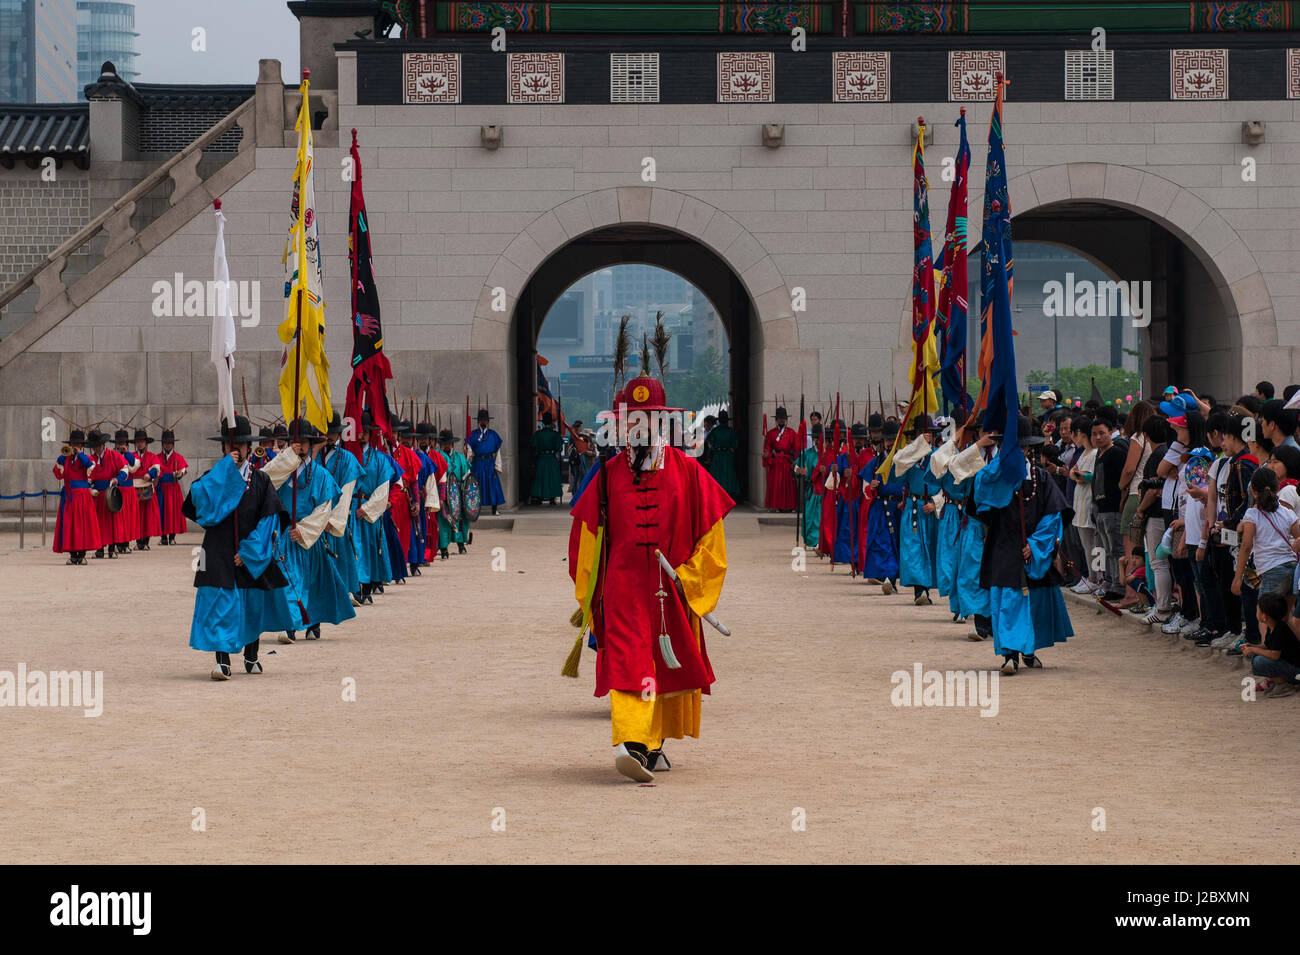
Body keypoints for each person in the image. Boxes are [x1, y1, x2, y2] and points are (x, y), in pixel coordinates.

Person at [567, 370, 733, 783]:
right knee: (628, 660)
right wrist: (589, 595)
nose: (639, 429)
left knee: (664, 663)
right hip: (623, 589)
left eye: (648, 420)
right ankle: (631, 742)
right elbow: (587, 538)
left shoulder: (690, 473)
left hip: (669, 590)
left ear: (662, 423)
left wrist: (690, 578)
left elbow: (713, 542)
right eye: (631, 421)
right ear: (621, 426)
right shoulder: (606, 476)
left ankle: (652, 742)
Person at [182, 414, 293, 681]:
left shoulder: (261, 480)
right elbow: (197, 503)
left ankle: (251, 655)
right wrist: (223, 473)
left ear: (248, 447)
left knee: (252, 604)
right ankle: (222, 662)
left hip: (249, 552)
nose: (236, 449)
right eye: (231, 445)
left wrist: (249, 553)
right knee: (220, 605)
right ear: (223, 447)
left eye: (241, 444)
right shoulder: (212, 478)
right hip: (217, 550)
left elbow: (269, 520)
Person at [971, 417, 1074, 674]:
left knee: (1034, 601)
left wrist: (1036, 544)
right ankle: (1009, 654)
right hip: (1003, 546)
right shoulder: (992, 476)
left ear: (1028, 449)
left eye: (1020, 447)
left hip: (1033, 548)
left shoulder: (1041, 477)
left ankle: (1028, 650)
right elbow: (979, 498)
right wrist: (1001, 469)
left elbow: (1054, 515)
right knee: (1007, 600)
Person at [269, 419, 357, 642]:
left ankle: (313, 621)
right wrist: (288, 458)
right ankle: (289, 624)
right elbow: (264, 480)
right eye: (295, 442)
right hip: (285, 535)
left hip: (310, 534)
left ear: (311, 444)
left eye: (304, 442)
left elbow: (324, 508)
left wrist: (306, 530)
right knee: (289, 580)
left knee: (313, 581)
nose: (299, 446)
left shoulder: (321, 475)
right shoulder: (281, 469)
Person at [1231, 466, 1298, 629]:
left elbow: (1246, 547)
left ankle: (1266, 648)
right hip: (1292, 568)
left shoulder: (1252, 515)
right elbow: (1298, 537)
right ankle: (1285, 651)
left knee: (1264, 614)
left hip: (1271, 570)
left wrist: (1238, 577)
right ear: (1277, 488)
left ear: (1253, 491)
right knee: (1286, 616)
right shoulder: (1287, 513)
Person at [318, 411, 365, 605]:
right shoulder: (314, 455)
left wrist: (333, 520)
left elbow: (347, 493)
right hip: (314, 518)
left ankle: (344, 592)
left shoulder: (347, 459)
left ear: (339, 434)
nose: (328, 436)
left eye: (332, 432)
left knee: (340, 558)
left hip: (334, 519)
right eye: (325, 432)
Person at [892, 416, 940, 605]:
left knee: (930, 548)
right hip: (913, 507)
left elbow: (948, 485)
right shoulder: (907, 457)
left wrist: (936, 503)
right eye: (922, 434)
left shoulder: (938, 455)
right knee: (914, 549)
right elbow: (896, 476)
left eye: (929, 434)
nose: (926, 437)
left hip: (932, 507)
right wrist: (916, 449)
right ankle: (920, 589)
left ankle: (926, 588)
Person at [354, 413, 398, 602]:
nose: (361, 436)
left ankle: (369, 586)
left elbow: (383, 488)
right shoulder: (349, 456)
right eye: (359, 432)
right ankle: (357, 587)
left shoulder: (380, 459)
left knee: (371, 548)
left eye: (365, 432)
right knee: (356, 548)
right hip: (352, 509)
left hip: (370, 509)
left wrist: (368, 508)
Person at [861, 419, 903, 594]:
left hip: (900, 506)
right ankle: (886, 576)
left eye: (893, 439)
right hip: (881, 508)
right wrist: (870, 487)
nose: (890, 442)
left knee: (897, 544)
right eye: (887, 439)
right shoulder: (875, 463)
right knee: (883, 543)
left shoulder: (904, 461)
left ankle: (892, 579)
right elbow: (865, 488)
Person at [1090, 418, 1128, 601]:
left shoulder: (1117, 453)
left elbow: (1125, 480)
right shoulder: (1099, 454)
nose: (1098, 437)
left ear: (1110, 432)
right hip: (1101, 509)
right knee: (1108, 549)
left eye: (1101, 433)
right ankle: (1113, 582)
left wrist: (1122, 501)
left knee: (1116, 548)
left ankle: (1120, 587)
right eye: (1094, 434)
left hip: (1114, 508)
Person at [52, 428, 100, 565]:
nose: (75, 447)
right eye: (73, 444)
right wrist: (63, 457)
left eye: (78, 444)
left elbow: (92, 469)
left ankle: (82, 554)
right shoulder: (65, 459)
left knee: (83, 525)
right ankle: (73, 554)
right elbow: (58, 474)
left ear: (82, 446)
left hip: (82, 496)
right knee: (69, 524)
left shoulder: (87, 458)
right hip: (69, 496)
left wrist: (79, 455)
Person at [1243, 593, 1300, 697]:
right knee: (1255, 655)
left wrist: (1254, 650)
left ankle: (1284, 685)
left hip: (1295, 672)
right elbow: (1267, 646)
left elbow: (1275, 655)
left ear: (1264, 617)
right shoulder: (1272, 627)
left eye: (1258, 610)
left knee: (1259, 661)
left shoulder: (1280, 630)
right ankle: (1277, 681)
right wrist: (1252, 646)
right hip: (1288, 667)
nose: (1256, 613)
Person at [86, 431, 129, 560]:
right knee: (97, 523)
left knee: (112, 522)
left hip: (110, 494)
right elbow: (87, 475)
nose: (96, 449)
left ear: (103, 444)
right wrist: (89, 484)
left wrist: (117, 479)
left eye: (98, 446)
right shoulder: (91, 459)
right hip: (97, 494)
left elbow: (125, 469)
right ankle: (99, 549)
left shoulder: (114, 456)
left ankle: (111, 548)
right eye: (94, 447)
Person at [467, 408, 506, 516]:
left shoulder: (493, 435)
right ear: (478, 421)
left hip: (489, 463)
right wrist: (466, 462)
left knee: (493, 486)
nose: (483, 422)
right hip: (478, 463)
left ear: (488, 421)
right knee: (476, 487)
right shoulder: (473, 435)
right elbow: (469, 451)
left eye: (485, 420)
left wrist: (497, 465)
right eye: (481, 420)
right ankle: (475, 509)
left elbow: (497, 451)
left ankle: (495, 509)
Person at [438, 428, 471, 558]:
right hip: (443, 492)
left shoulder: (460, 458)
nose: (446, 446)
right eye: (443, 443)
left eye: (448, 443)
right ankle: (444, 549)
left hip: (458, 493)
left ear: (452, 444)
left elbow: (467, 476)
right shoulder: (438, 457)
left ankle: (461, 544)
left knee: (460, 520)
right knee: (443, 521)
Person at [110, 429, 142, 556]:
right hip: (117, 490)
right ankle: (118, 543)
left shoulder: (132, 456)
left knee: (128, 519)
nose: (120, 444)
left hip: (128, 491)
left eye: (123, 442)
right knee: (117, 519)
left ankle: (126, 543)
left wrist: (126, 453)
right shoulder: (111, 455)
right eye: (119, 442)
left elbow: (135, 467)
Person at [761, 407, 798, 512]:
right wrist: (767, 455)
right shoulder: (771, 433)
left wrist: (795, 461)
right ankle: (777, 506)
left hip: (787, 461)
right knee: (776, 484)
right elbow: (767, 447)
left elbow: (796, 448)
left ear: (786, 419)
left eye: (783, 418)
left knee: (789, 485)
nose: (781, 420)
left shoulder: (791, 432)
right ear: (776, 419)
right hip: (776, 461)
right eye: (779, 418)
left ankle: (790, 506)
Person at [131, 429, 162, 550]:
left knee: (148, 516)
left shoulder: (152, 456)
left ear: (146, 443)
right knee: (137, 516)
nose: (140, 444)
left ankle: (146, 541)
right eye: (138, 442)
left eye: (142, 441)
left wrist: (150, 474)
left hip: (147, 488)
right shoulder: (132, 456)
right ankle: (139, 541)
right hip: (134, 488)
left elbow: (156, 468)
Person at [156, 429, 189, 545]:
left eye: (170, 443)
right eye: (165, 443)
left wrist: (179, 473)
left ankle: (172, 537)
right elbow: (155, 470)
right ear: (162, 444)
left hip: (173, 488)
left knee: (173, 512)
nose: (167, 445)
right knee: (162, 511)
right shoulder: (157, 457)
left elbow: (183, 469)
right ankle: (163, 536)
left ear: (173, 444)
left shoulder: (178, 457)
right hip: (162, 489)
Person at [794, 422, 823, 550]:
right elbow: (795, 466)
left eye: (819, 438)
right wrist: (799, 470)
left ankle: (820, 542)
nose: (817, 440)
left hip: (824, 490)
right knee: (810, 517)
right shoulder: (807, 453)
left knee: (820, 517)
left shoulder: (827, 453)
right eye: (815, 438)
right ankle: (812, 540)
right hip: (812, 490)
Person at [704, 409, 740, 501]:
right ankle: (729, 495)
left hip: (718, 455)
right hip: (728, 455)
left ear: (719, 420)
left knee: (717, 475)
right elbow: (735, 444)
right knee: (728, 474)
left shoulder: (715, 431)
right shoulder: (730, 431)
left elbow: (710, 444)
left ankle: (718, 495)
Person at [530, 412, 563, 505]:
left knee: (540, 477)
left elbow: (533, 445)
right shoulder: (555, 434)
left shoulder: (538, 434)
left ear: (543, 422)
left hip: (541, 457)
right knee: (552, 477)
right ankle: (552, 498)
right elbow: (559, 448)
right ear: (551, 422)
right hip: (551, 458)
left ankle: (540, 496)